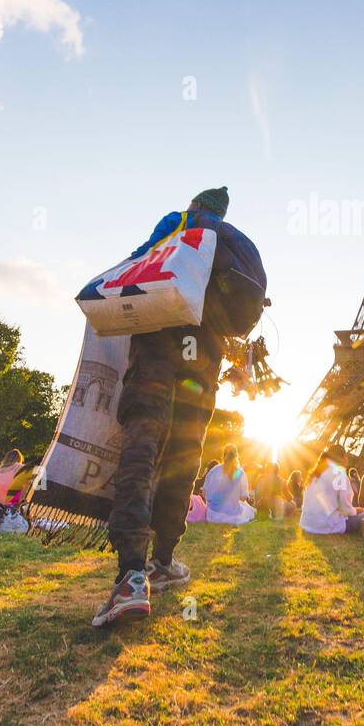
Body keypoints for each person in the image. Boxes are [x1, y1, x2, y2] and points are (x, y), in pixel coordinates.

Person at [92, 187, 267, 628]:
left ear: (194, 207)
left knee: (142, 444)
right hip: (202, 359)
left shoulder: (179, 222)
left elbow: (136, 266)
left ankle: (131, 574)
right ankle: (164, 559)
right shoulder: (237, 243)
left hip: (157, 348)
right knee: (184, 457)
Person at [299, 450, 364, 535]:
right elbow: (346, 509)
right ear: (342, 458)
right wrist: (357, 511)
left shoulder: (313, 477)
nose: (347, 459)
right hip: (327, 527)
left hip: (307, 524)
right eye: (346, 456)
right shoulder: (340, 475)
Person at [203, 445, 256, 526]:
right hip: (232, 516)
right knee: (248, 509)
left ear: (223, 455)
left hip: (212, 515)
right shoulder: (240, 473)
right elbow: (243, 498)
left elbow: (205, 493)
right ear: (236, 456)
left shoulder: (214, 470)